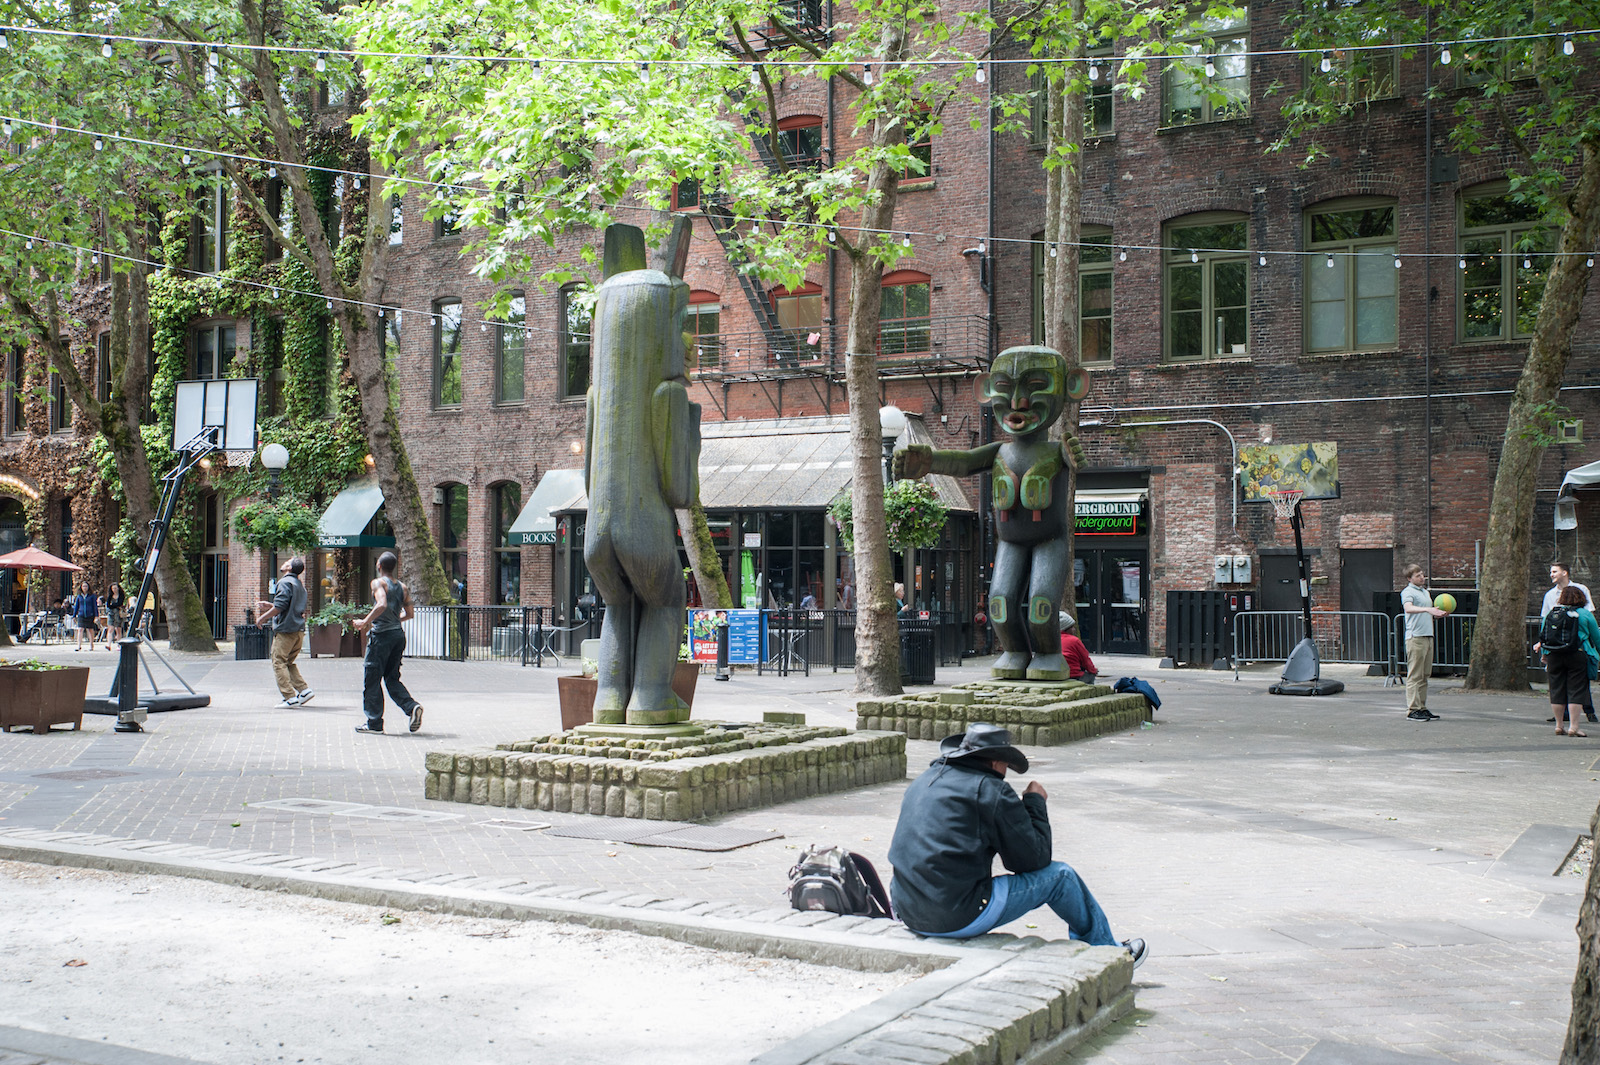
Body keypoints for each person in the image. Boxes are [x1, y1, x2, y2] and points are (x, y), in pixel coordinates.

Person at [887, 722, 1145, 967]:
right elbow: (1033, 861)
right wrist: (1034, 802)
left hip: (906, 908)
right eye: (1007, 765)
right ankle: (1107, 954)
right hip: (955, 916)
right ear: (997, 761)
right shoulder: (992, 791)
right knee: (1061, 877)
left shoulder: (925, 779)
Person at [351, 551, 423, 735]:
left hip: (381, 637)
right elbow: (409, 614)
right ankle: (411, 707)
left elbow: (381, 604)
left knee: (372, 678)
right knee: (392, 678)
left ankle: (374, 723)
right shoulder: (403, 587)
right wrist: (394, 619)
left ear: (379, 566)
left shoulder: (378, 583)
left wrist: (365, 621)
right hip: (398, 636)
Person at [1540, 585, 1600, 738]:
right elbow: (1597, 637)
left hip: (1554, 655)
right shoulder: (1585, 615)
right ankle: (1574, 727)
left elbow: (1543, 635)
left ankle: (1559, 725)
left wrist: (1544, 654)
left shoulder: (1552, 614)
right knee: (1576, 689)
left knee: (1556, 689)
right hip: (1577, 654)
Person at [256, 557, 312, 708]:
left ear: (289, 568)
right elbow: (288, 605)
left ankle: (289, 697)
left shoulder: (284, 582)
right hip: (298, 630)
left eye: (288, 561)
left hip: (286, 630)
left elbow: (280, 606)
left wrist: (262, 618)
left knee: (278, 661)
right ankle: (304, 690)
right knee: (288, 662)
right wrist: (270, 606)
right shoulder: (299, 584)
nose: (285, 561)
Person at [1400, 563, 1447, 721]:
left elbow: (1427, 612)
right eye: (1418, 575)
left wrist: (1436, 613)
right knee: (1415, 674)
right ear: (1410, 578)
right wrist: (1428, 609)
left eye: (1422, 574)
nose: (1422, 577)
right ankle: (1412, 709)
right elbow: (1408, 608)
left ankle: (1422, 707)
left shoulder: (1425, 593)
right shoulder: (1408, 592)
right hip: (1415, 637)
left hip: (1428, 636)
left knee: (1424, 674)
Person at [1058, 612, 1098, 683]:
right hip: (1073, 676)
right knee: (1091, 676)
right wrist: (1094, 671)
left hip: (1056, 676)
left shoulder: (1051, 640)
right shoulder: (1074, 640)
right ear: (1066, 628)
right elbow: (1086, 660)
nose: (1074, 630)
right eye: (1072, 627)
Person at [71, 580, 100, 651]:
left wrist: (96, 615)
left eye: (86, 586)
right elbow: (76, 606)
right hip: (81, 614)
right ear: (81, 587)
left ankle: (91, 644)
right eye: (83, 586)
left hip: (90, 614)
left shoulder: (92, 596)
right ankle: (79, 645)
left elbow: (94, 606)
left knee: (90, 629)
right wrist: (74, 615)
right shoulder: (79, 596)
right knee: (80, 629)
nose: (85, 588)